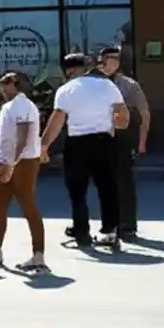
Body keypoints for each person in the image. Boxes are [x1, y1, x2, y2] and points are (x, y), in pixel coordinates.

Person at [40, 54, 129, 247]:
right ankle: (109, 231)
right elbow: (123, 115)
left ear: (69, 71)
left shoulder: (65, 90)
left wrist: (44, 146)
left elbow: (57, 121)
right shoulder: (107, 86)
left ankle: (81, 231)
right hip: (104, 141)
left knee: (77, 190)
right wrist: (115, 126)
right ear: (87, 67)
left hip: (78, 143)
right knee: (108, 187)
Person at [0, 72, 48, 272]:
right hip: (6, 162)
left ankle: (38, 255)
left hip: (23, 162)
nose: (1, 88)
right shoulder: (8, 106)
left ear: (15, 85)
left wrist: (12, 164)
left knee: (28, 206)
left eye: (5, 84)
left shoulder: (23, 106)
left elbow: (24, 136)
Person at [96, 46, 151, 239]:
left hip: (123, 137)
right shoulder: (93, 84)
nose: (108, 63)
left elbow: (144, 113)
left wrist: (142, 141)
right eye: (105, 59)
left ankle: (127, 225)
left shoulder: (129, 86)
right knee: (104, 183)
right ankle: (109, 225)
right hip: (99, 137)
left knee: (124, 182)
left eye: (113, 59)